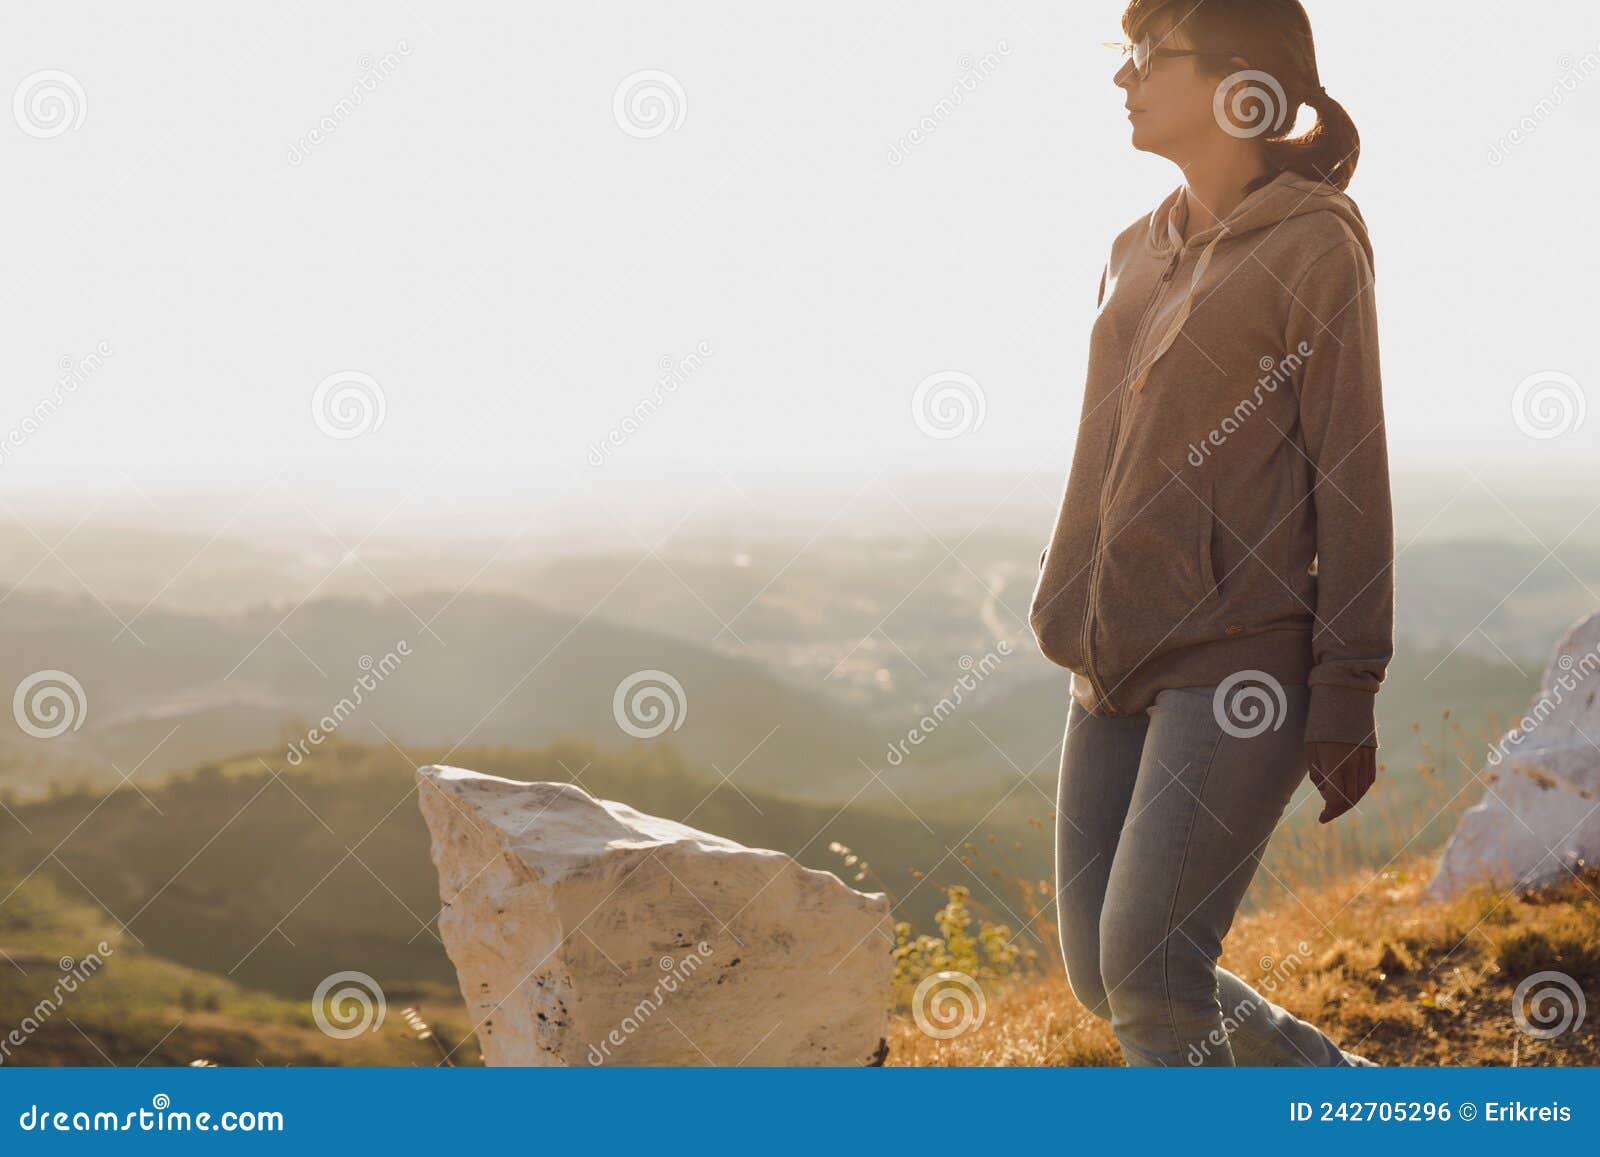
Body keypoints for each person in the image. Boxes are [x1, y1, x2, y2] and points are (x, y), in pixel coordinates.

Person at [1027, 0, 1392, 1066]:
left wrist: (1346, 686)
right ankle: (1342, 1095)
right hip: (1103, 655)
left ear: (1244, 82)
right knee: (1110, 974)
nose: (1121, 78)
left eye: (1148, 56)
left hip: (1240, 657)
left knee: (1150, 972)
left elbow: (1351, 474)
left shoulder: (1314, 246)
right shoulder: (1134, 248)